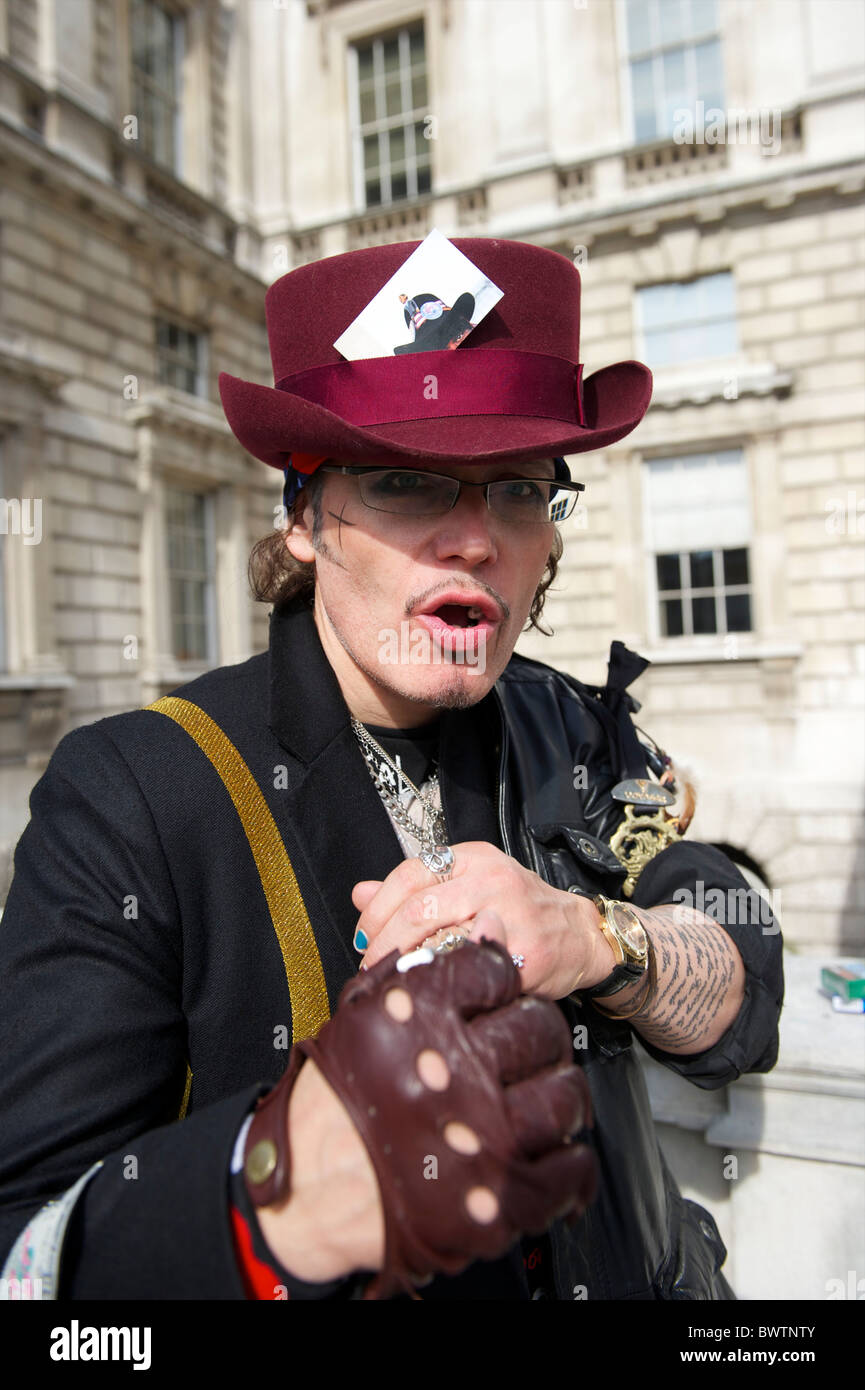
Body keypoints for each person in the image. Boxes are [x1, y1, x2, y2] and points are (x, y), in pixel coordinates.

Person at [0, 237, 783, 1302]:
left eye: (516, 489)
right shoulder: (135, 792)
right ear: (305, 517)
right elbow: (27, 1254)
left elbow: (744, 983)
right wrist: (268, 1202)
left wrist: (598, 937)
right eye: (408, 483)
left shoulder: (572, 727)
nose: (473, 538)